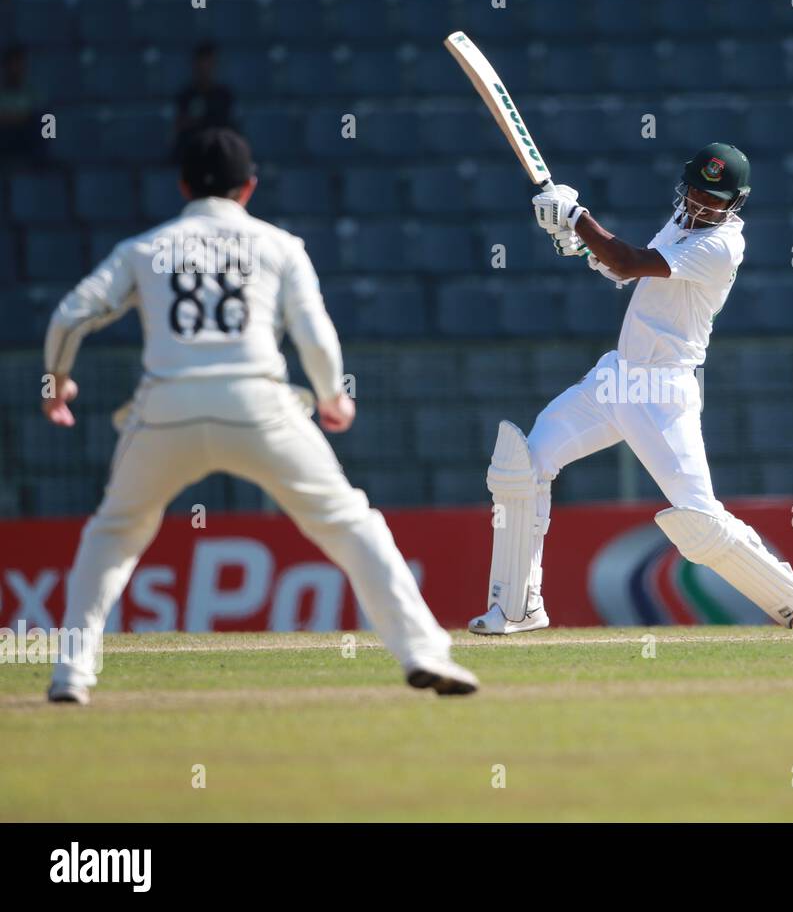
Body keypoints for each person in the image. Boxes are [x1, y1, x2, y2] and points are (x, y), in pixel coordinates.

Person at [41, 128, 476, 703]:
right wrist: (330, 396)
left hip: (166, 409)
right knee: (350, 525)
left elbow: (71, 315)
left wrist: (56, 385)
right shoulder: (279, 246)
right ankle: (422, 652)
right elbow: (315, 333)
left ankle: (71, 674)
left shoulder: (144, 249)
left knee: (112, 533)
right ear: (249, 188)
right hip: (260, 406)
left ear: (183, 185)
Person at [468, 143, 793, 637]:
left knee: (698, 523)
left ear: (735, 202)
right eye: (698, 192)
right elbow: (624, 268)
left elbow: (629, 259)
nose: (703, 205)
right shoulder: (683, 220)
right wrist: (583, 247)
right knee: (523, 466)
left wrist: (576, 217)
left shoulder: (721, 245)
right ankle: (517, 607)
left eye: (716, 199)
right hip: (615, 377)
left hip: (661, 389)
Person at [171, 43, 237, 160]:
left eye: (209, 64)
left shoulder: (224, 95)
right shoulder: (185, 96)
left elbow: (224, 128)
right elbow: (180, 127)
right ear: (194, 65)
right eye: (201, 64)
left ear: (215, 65)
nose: (205, 69)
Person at [0, 44, 44, 162]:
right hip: (3, 139)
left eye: (19, 64)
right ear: (5, 67)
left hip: (25, 140)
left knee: (46, 121)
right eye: (12, 64)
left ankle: (40, 165)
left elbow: (37, 117)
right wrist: (21, 117)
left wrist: (13, 118)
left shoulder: (33, 92)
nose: (16, 69)